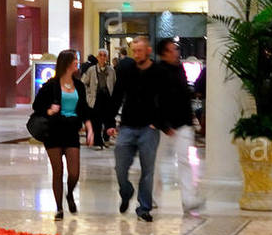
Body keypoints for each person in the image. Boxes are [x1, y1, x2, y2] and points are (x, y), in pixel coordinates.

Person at [31, 49, 93, 220]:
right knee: (57, 171)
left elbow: (84, 108)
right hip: (54, 131)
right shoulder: (51, 85)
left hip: (72, 130)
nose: (78, 63)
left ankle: (70, 193)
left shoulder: (78, 85)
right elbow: (37, 105)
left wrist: (89, 127)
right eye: (75, 60)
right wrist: (49, 110)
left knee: (74, 173)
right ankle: (59, 208)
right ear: (66, 63)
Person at [107, 36, 161, 222]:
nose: (137, 54)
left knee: (147, 170)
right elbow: (117, 95)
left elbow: (165, 98)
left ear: (148, 51)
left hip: (149, 128)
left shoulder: (157, 72)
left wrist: (159, 122)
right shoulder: (126, 70)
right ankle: (126, 190)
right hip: (128, 126)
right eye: (134, 51)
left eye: (140, 51)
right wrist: (109, 122)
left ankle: (144, 207)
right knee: (120, 167)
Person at [154, 38, 201, 215]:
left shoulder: (180, 68)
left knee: (184, 160)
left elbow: (183, 96)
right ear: (164, 53)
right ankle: (152, 196)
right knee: (156, 162)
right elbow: (156, 100)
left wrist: (190, 121)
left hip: (182, 124)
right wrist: (163, 124)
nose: (177, 52)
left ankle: (188, 198)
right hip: (164, 126)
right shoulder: (158, 71)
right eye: (173, 49)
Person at [81, 49, 116, 149]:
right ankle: (97, 142)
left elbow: (114, 83)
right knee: (96, 121)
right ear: (97, 57)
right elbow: (84, 83)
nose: (102, 57)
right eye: (100, 55)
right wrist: (88, 94)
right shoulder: (91, 70)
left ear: (107, 57)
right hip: (96, 98)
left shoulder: (111, 70)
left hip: (107, 98)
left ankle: (106, 138)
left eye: (104, 55)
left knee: (108, 119)